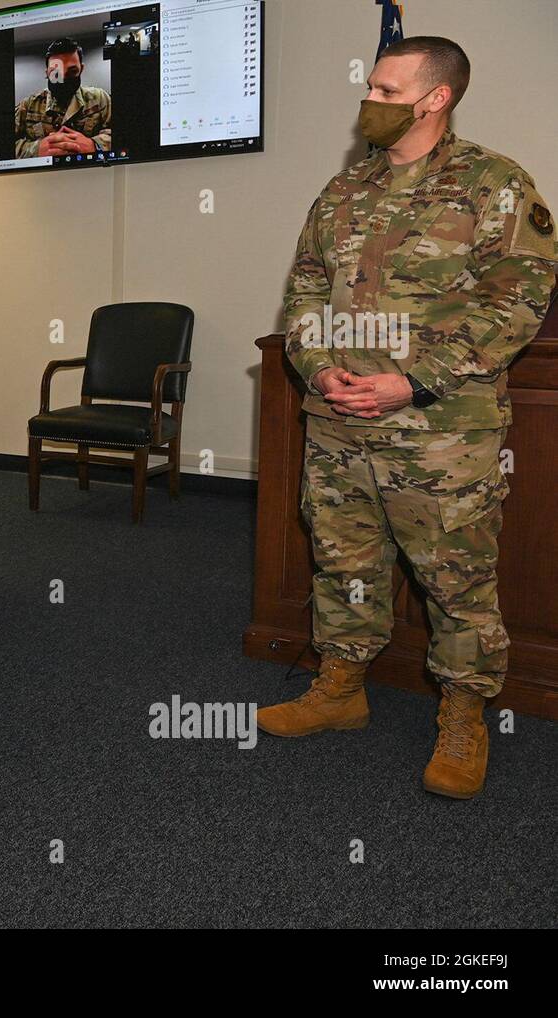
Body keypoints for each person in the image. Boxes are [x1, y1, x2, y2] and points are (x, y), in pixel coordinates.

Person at [262, 38, 557, 798]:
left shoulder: (494, 184)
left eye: (388, 89)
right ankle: (341, 687)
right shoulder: (343, 190)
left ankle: (463, 718)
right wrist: (316, 363)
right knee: (345, 563)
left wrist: (414, 379)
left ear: (437, 99)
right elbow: (301, 291)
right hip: (337, 425)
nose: (371, 99)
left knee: (455, 581)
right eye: (370, 84)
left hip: (441, 433)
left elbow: (517, 301)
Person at [14, 38, 112, 159]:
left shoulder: (100, 99)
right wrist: (36, 149)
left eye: (72, 71)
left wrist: (95, 146)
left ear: (81, 69)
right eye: (56, 73)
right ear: (47, 73)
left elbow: (122, 134)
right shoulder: (28, 105)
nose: (64, 78)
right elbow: (2, 145)